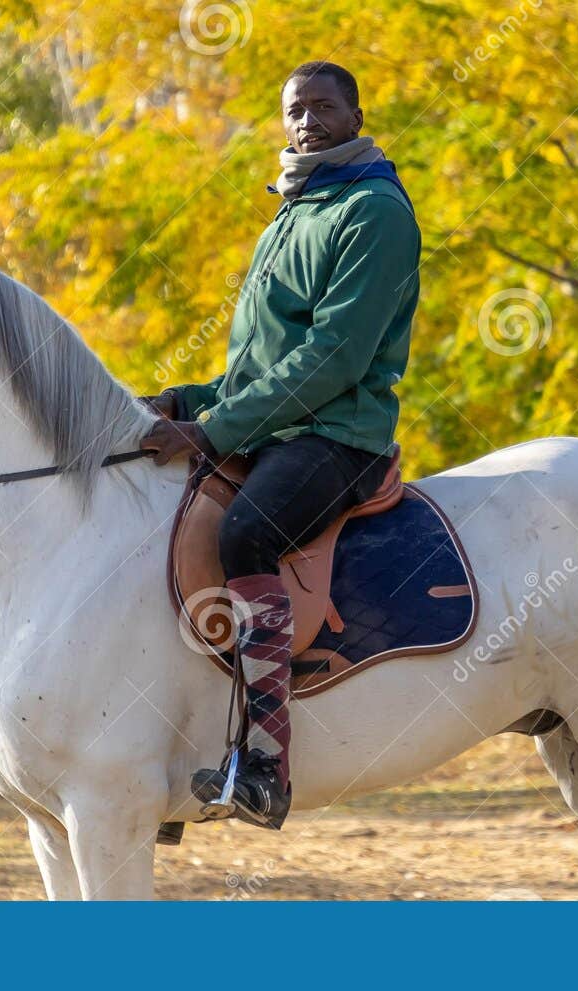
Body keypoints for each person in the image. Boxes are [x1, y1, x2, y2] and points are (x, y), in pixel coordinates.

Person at [141, 60, 420, 829]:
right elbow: (257, 369)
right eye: (295, 109)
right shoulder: (292, 213)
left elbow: (333, 359)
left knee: (246, 531)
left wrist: (215, 430)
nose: (307, 121)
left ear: (356, 117)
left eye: (324, 107)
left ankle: (265, 762)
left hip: (339, 433)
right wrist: (184, 402)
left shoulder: (375, 212)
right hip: (276, 426)